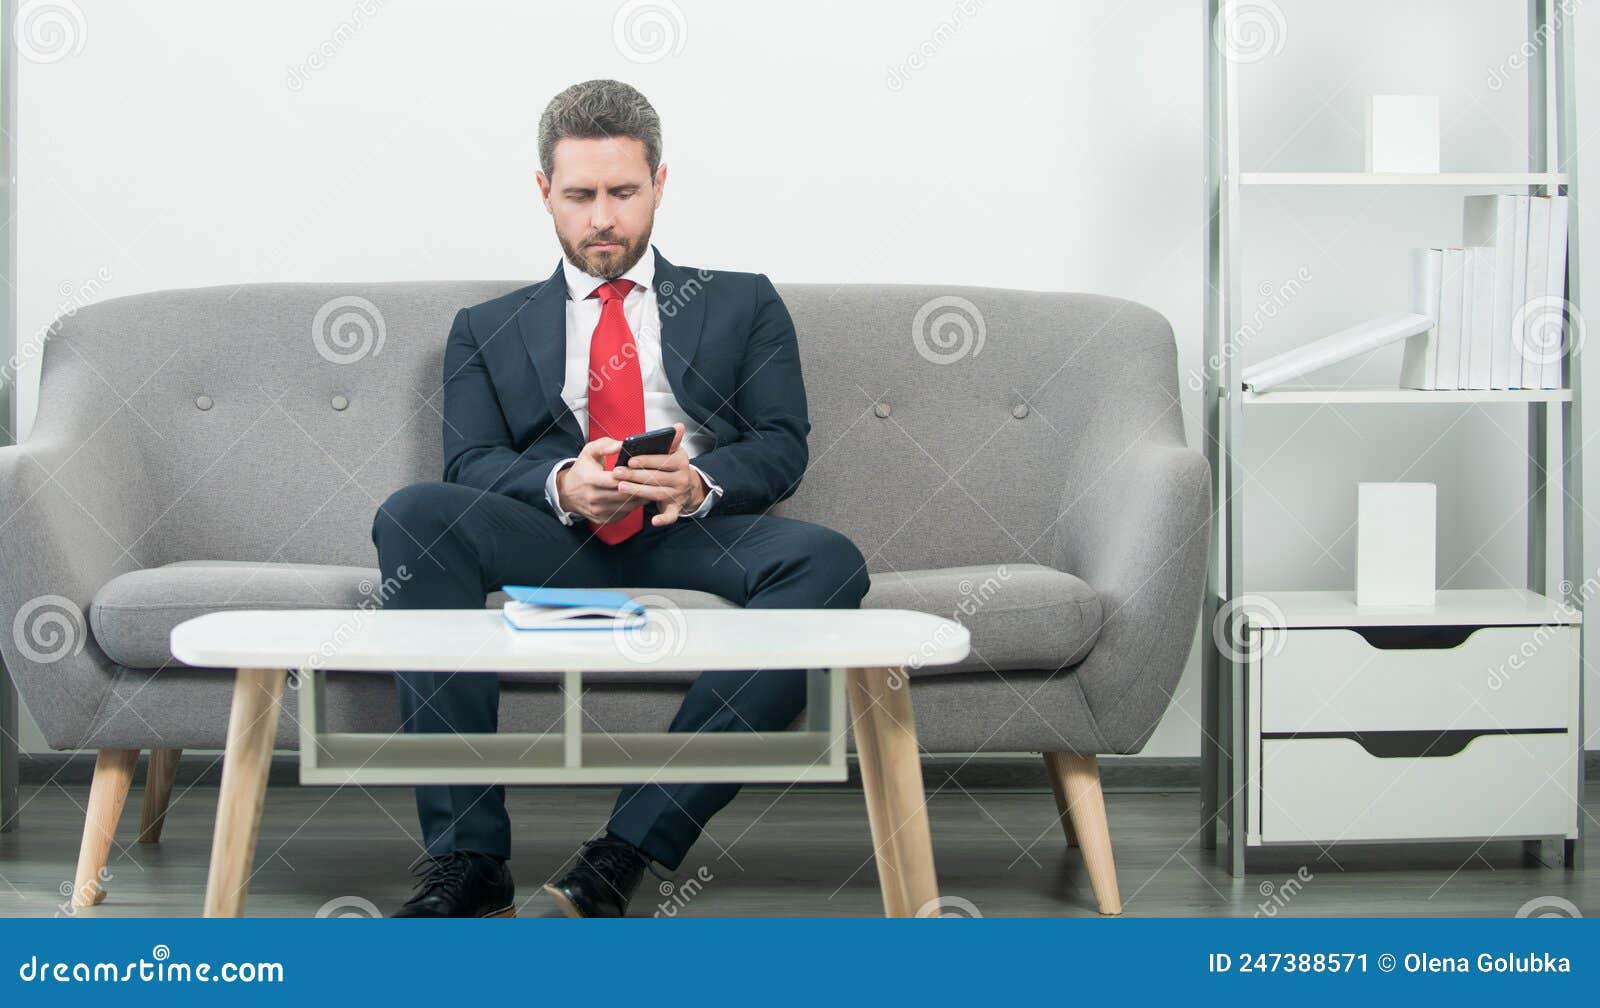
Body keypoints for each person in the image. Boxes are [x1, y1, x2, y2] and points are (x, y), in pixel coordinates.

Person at [370, 78, 869, 917]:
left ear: (660, 184)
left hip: (686, 531)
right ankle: (468, 859)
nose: (603, 219)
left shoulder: (743, 300)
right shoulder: (484, 327)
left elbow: (781, 444)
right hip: (554, 538)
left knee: (831, 564)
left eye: (624, 193)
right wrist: (562, 484)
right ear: (544, 192)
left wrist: (700, 481)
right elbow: (471, 463)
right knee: (414, 515)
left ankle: (621, 854)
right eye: (580, 196)